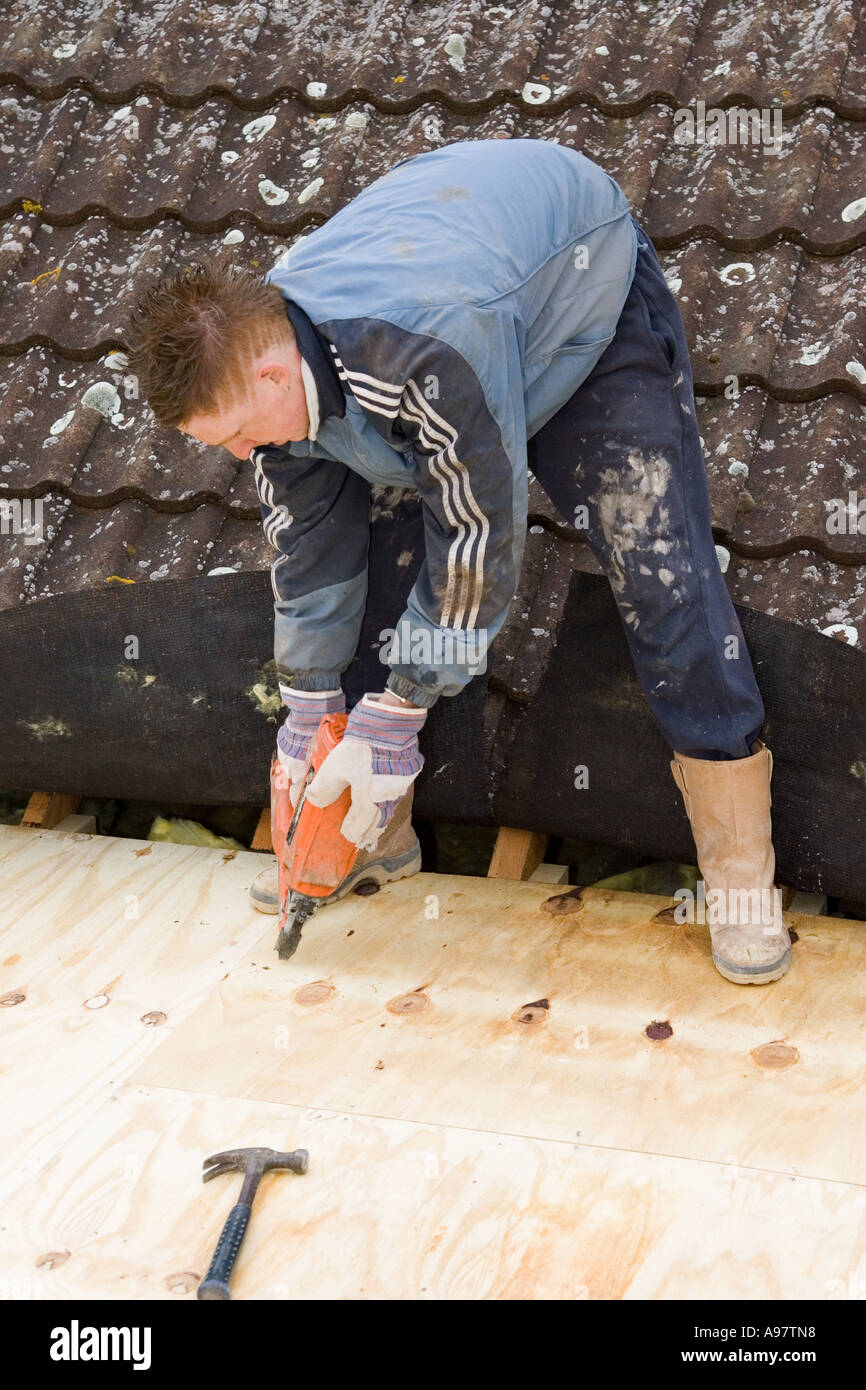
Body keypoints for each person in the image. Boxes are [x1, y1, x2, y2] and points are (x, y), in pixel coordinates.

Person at [127, 137, 791, 985]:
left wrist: (398, 709)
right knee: (377, 547)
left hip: (570, 306)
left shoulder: (424, 347)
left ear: (267, 371)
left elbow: (480, 536)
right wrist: (307, 706)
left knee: (658, 565)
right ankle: (368, 830)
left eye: (236, 435)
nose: (238, 454)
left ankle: (738, 875)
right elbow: (310, 554)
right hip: (449, 306)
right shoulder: (268, 387)